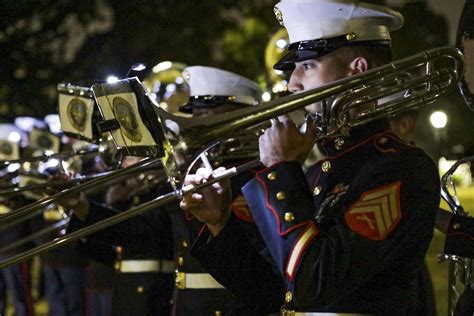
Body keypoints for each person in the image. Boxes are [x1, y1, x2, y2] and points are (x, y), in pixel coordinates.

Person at [181, 0, 441, 314]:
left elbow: (315, 286)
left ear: (357, 70)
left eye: (307, 65)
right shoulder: (318, 171)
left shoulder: (401, 167)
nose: (292, 84)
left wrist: (280, 168)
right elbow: (273, 296)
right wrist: (219, 223)